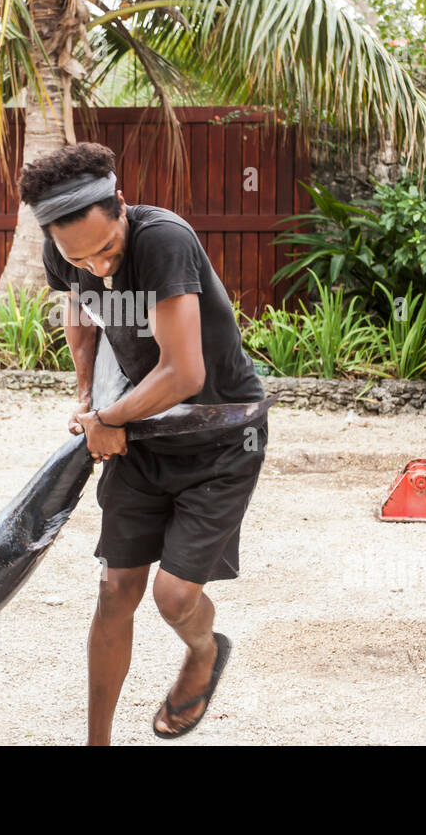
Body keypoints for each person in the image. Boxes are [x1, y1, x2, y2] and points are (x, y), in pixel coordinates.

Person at [19, 141, 269, 745]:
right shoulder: (70, 252)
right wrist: (87, 394)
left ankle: (204, 653)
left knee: (175, 596)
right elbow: (80, 313)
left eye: (106, 249)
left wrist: (108, 418)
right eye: (80, 257)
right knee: (115, 590)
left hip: (220, 436)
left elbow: (185, 373)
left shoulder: (163, 240)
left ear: (122, 207)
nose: (99, 266)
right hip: (143, 436)